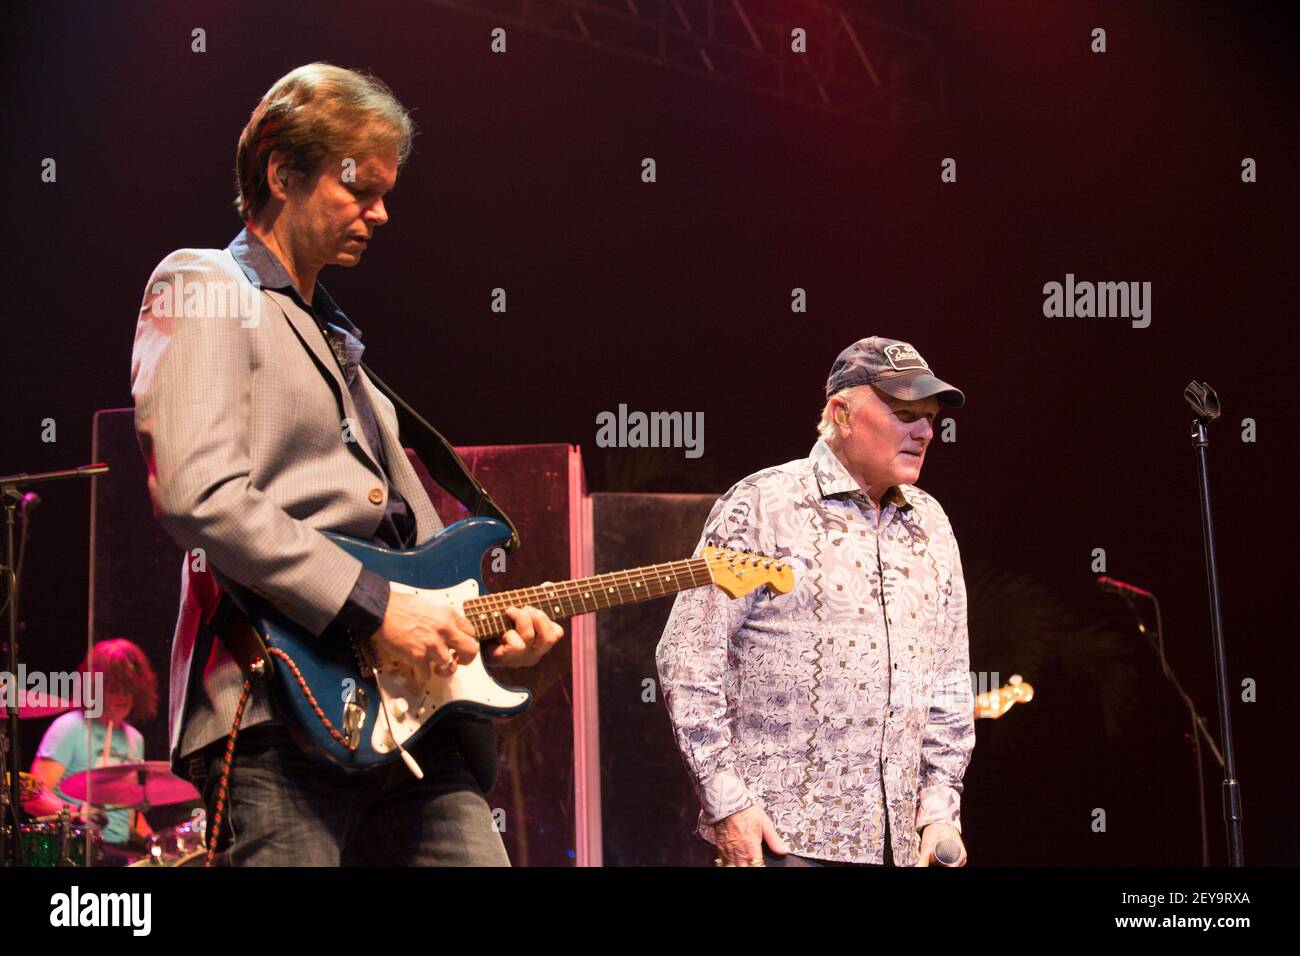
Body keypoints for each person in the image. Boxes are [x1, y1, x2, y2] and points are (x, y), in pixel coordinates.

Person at [130, 62, 564, 866]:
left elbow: (416, 557)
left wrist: (483, 635)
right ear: (281, 173)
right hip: (277, 715)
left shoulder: (339, 343)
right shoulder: (202, 284)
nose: (382, 213)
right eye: (360, 187)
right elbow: (198, 493)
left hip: (413, 732)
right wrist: (372, 606)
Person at [656, 336, 976, 867]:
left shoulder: (931, 524)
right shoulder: (765, 503)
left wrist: (940, 809)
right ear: (842, 414)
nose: (923, 431)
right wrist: (727, 804)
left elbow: (948, 674)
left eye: (929, 417)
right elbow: (687, 659)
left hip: (899, 849)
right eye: (903, 413)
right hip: (782, 841)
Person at [26, 638, 158, 865]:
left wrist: (161, 844)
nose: (123, 697)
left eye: (129, 688)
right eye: (115, 688)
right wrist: (80, 811)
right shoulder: (70, 727)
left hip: (120, 850)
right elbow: (32, 798)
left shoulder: (135, 739)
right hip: (74, 847)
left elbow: (128, 817)